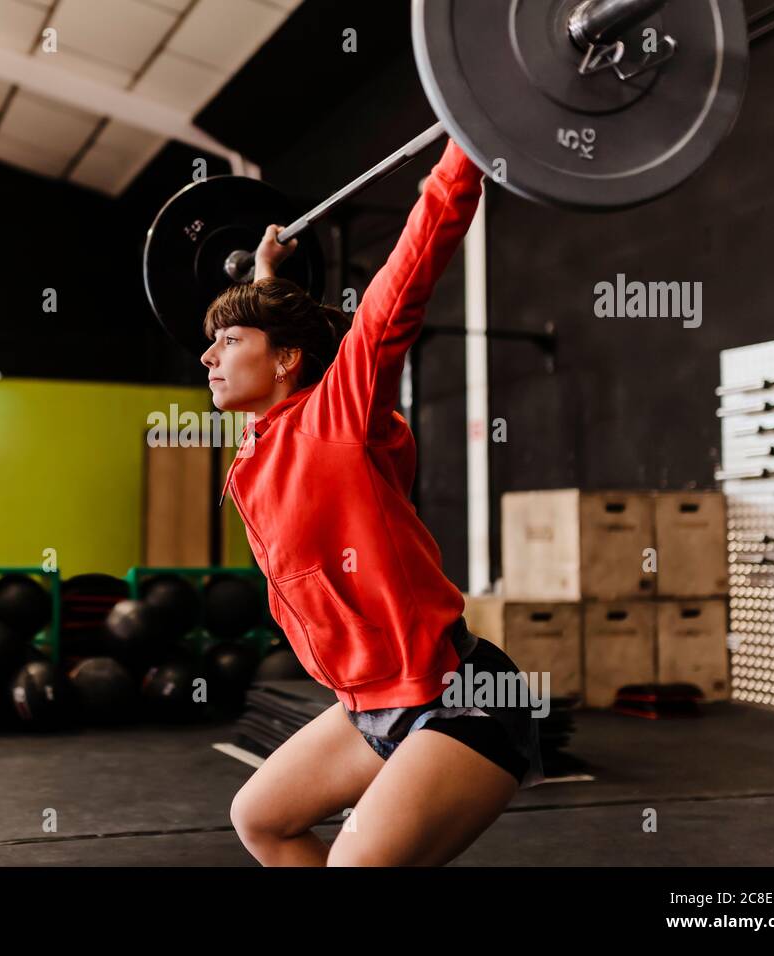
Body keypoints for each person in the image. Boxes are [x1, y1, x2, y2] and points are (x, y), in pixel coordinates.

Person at [202, 139, 544, 867]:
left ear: (288, 359)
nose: (207, 356)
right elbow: (272, 353)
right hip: (368, 708)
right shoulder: (259, 451)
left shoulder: (340, 416)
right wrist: (263, 283)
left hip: (459, 701)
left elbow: (408, 275)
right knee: (259, 816)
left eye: (227, 340)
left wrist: (467, 149)